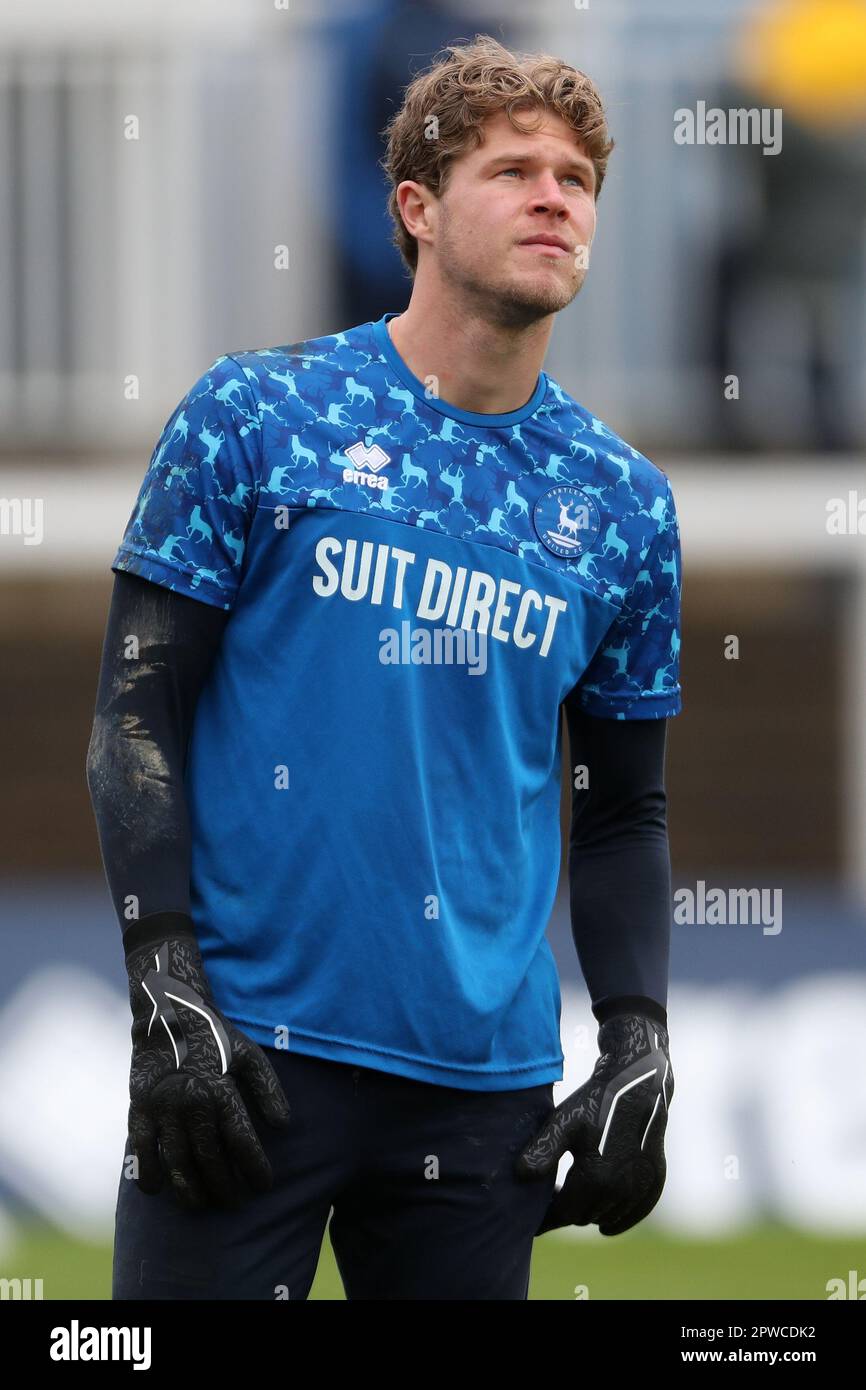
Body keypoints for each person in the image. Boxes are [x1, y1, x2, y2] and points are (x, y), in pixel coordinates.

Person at [87, 34, 681, 1302]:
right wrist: (166, 986)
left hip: (483, 1104)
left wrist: (637, 1035)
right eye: (513, 169)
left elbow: (622, 808)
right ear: (415, 208)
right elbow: (136, 714)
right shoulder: (257, 414)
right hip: (248, 1061)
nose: (553, 198)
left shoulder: (623, 504)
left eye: (577, 179)